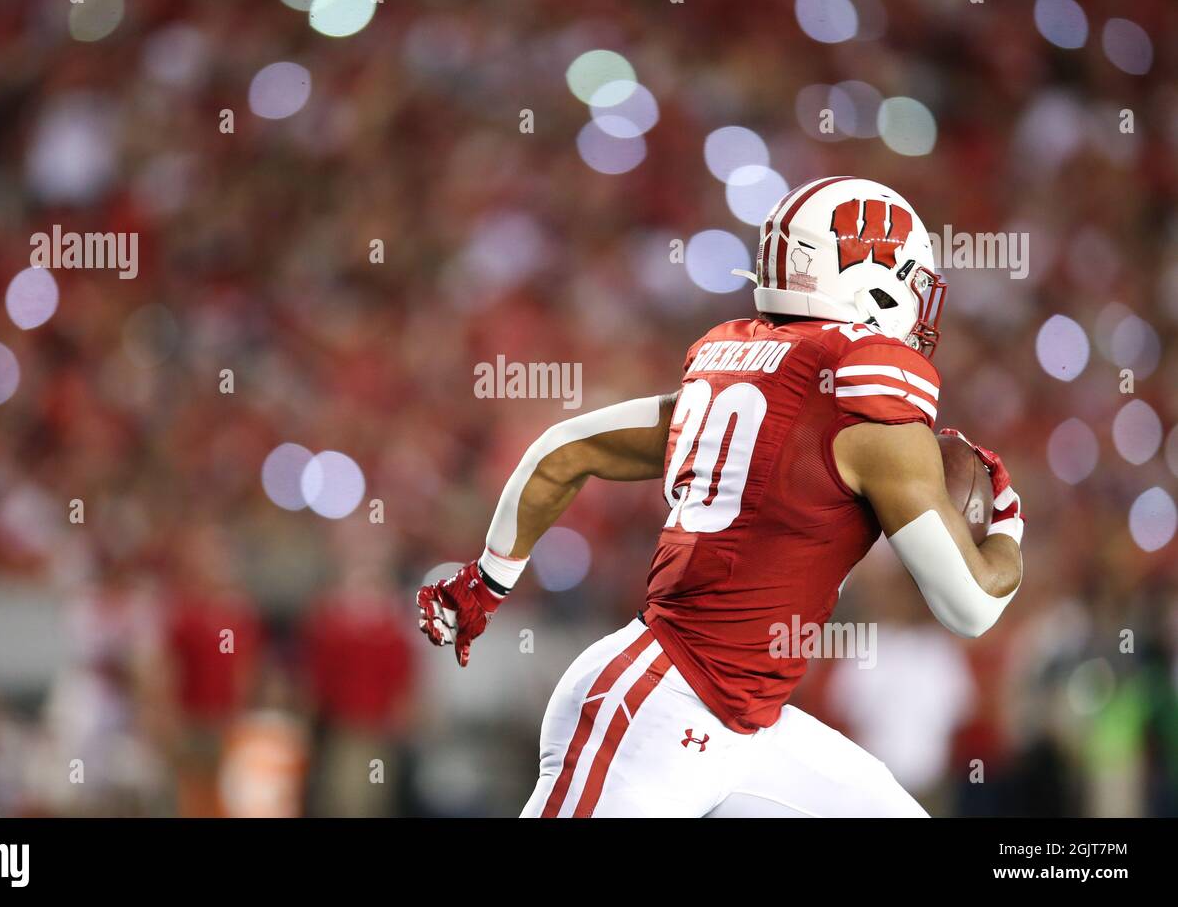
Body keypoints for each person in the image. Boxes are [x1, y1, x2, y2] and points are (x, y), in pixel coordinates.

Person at [416, 177, 1026, 817]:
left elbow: (563, 450)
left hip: (745, 724)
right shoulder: (868, 416)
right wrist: (1008, 515)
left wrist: (487, 580)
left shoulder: (738, 372)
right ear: (876, 285)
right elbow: (972, 607)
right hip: (653, 709)